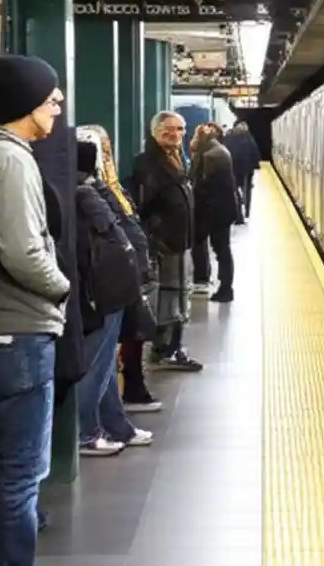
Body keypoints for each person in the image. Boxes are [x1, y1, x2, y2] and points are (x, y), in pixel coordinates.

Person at [0, 54, 71, 565]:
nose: (57, 107)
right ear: (26, 103)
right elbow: (23, 251)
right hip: (16, 332)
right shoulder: (10, 160)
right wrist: (62, 288)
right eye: (51, 98)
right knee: (19, 477)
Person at [74, 140, 154, 456]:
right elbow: (112, 231)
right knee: (97, 364)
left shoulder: (97, 190)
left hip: (114, 288)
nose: (108, 159)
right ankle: (87, 433)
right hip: (106, 289)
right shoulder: (87, 194)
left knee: (105, 364)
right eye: (102, 153)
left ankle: (116, 425)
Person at [126, 111, 203, 372]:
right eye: (169, 129)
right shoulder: (148, 162)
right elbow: (144, 205)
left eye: (181, 129)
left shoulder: (177, 158)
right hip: (166, 244)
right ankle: (166, 348)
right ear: (155, 132)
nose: (176, 134)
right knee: (169, 296)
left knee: (180, 294)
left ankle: (172, 346)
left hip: (180, 241)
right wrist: (156, 238)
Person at [190, 122, 239, 303]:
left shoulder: (210, 155)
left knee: (220, 250)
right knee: (222, 249)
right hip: (222, 209)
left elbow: (200, 184)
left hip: (214, 211)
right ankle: (220, 285)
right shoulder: (219, 151)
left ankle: (223, 288)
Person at [224, 121, 261, 223]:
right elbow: (255, 152)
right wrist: (255, 165)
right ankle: (243, 212)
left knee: (236, 191)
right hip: (244, 169)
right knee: (244, 192)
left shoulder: (229, 137)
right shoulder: (248, 138)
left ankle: (241, 213)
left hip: (238, 169)